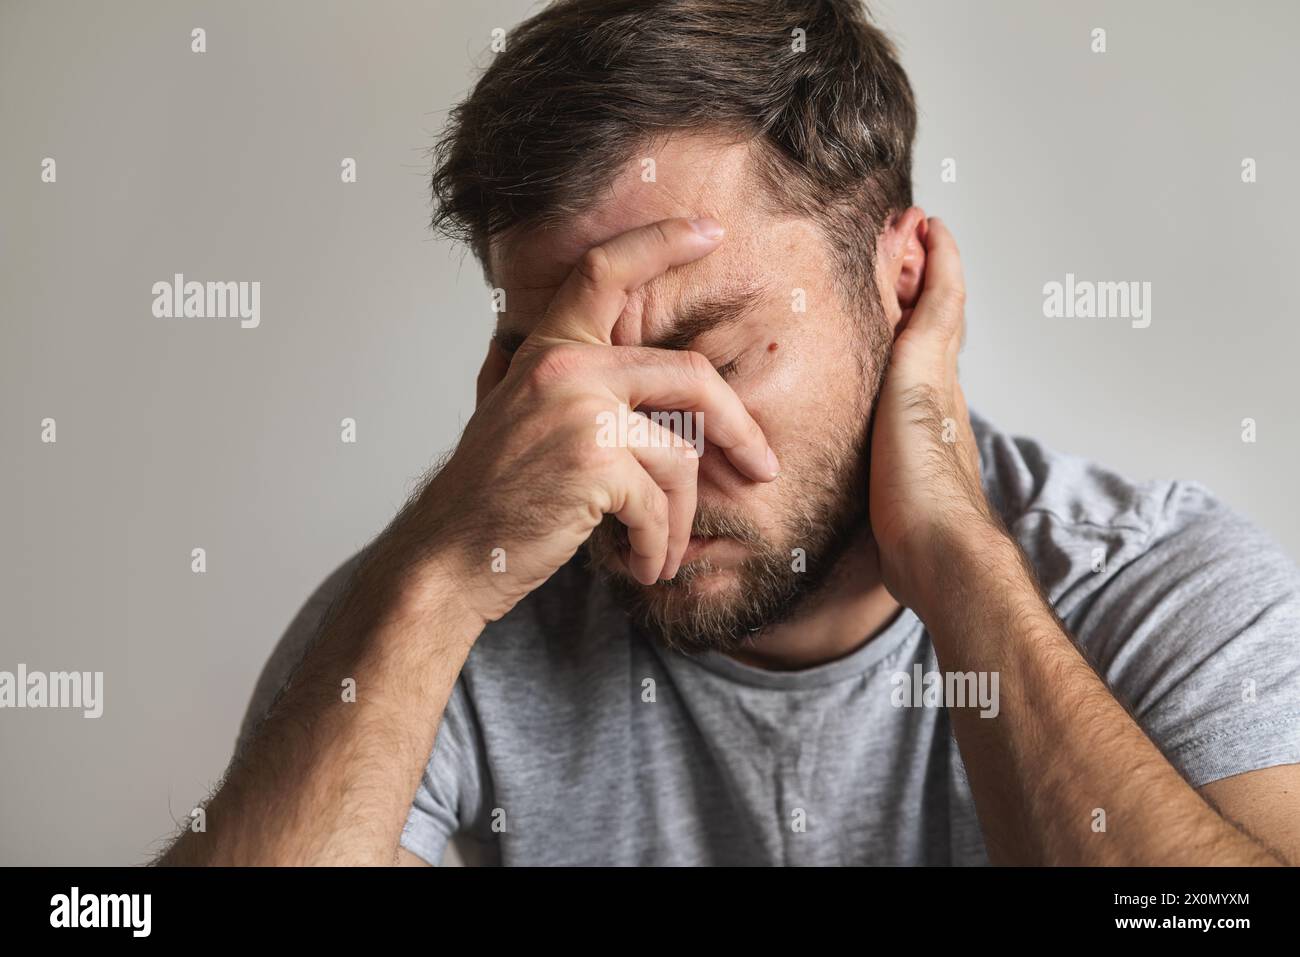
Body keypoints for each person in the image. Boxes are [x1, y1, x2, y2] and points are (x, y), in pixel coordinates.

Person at [159, 0, 1300, 866]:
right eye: (565, 369)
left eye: (715, 353)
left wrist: (955, 558)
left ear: (898, 288)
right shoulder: (435, 619)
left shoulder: (1157, 588)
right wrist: (447, 571)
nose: (641, 443)